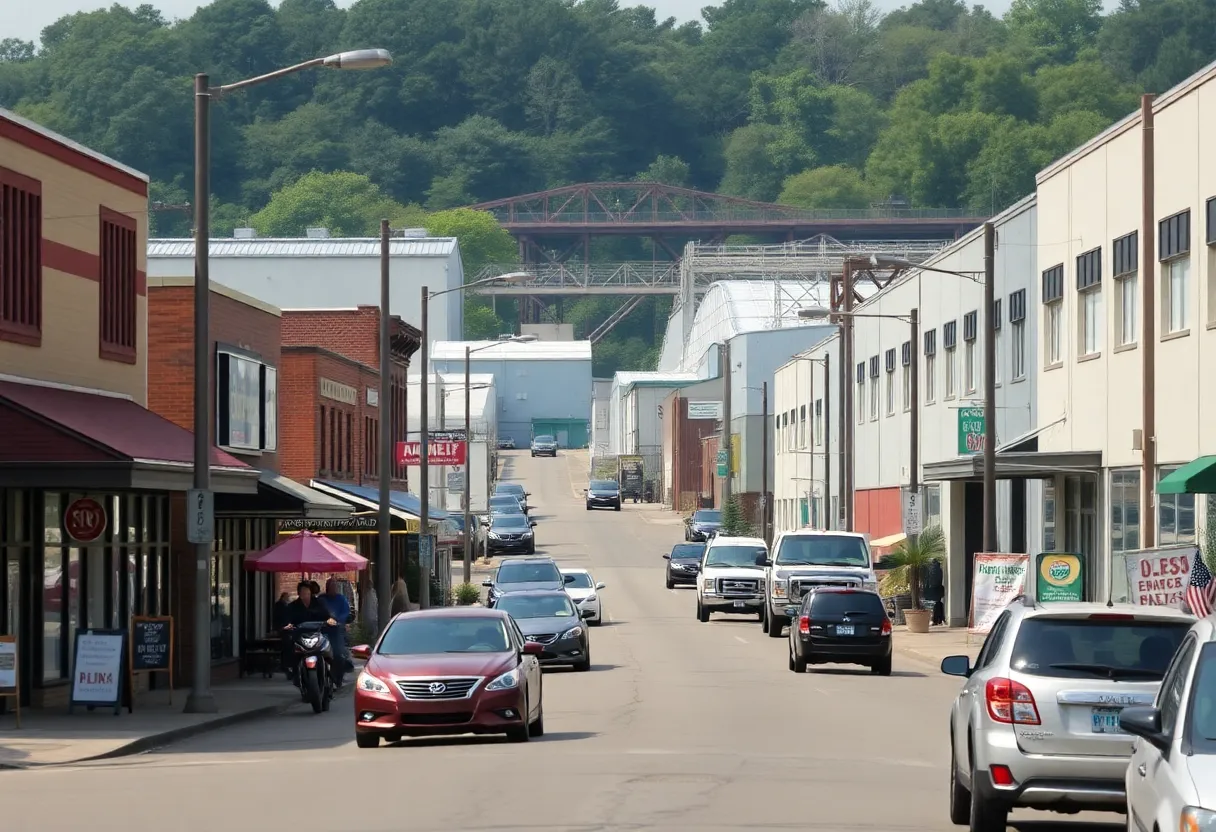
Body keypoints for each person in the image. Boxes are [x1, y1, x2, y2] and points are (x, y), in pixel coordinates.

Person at [281, 582, 336, 681]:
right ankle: (295, 673)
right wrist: (288, 625)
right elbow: (287, 620)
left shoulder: (319, 603)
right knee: (291, 648)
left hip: (318, 634)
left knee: (331, 649)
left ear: (311, 593)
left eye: (307, 592)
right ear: (299, 593)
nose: (305, 594)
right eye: (302, 592)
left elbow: (327, 616)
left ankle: (330, 674)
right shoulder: (292, 606)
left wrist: (330, 620)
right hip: (300, 636)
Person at [323, 578, 352, 686]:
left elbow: (346, 613)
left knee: (339, 654)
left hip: (337, 631)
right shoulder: (321, 599)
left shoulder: (341, 599)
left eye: (334, 586)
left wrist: (337, 620)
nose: (333, 589)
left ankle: (338, 678)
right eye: (331, 586)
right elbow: (317, 611)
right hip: (323, 630)